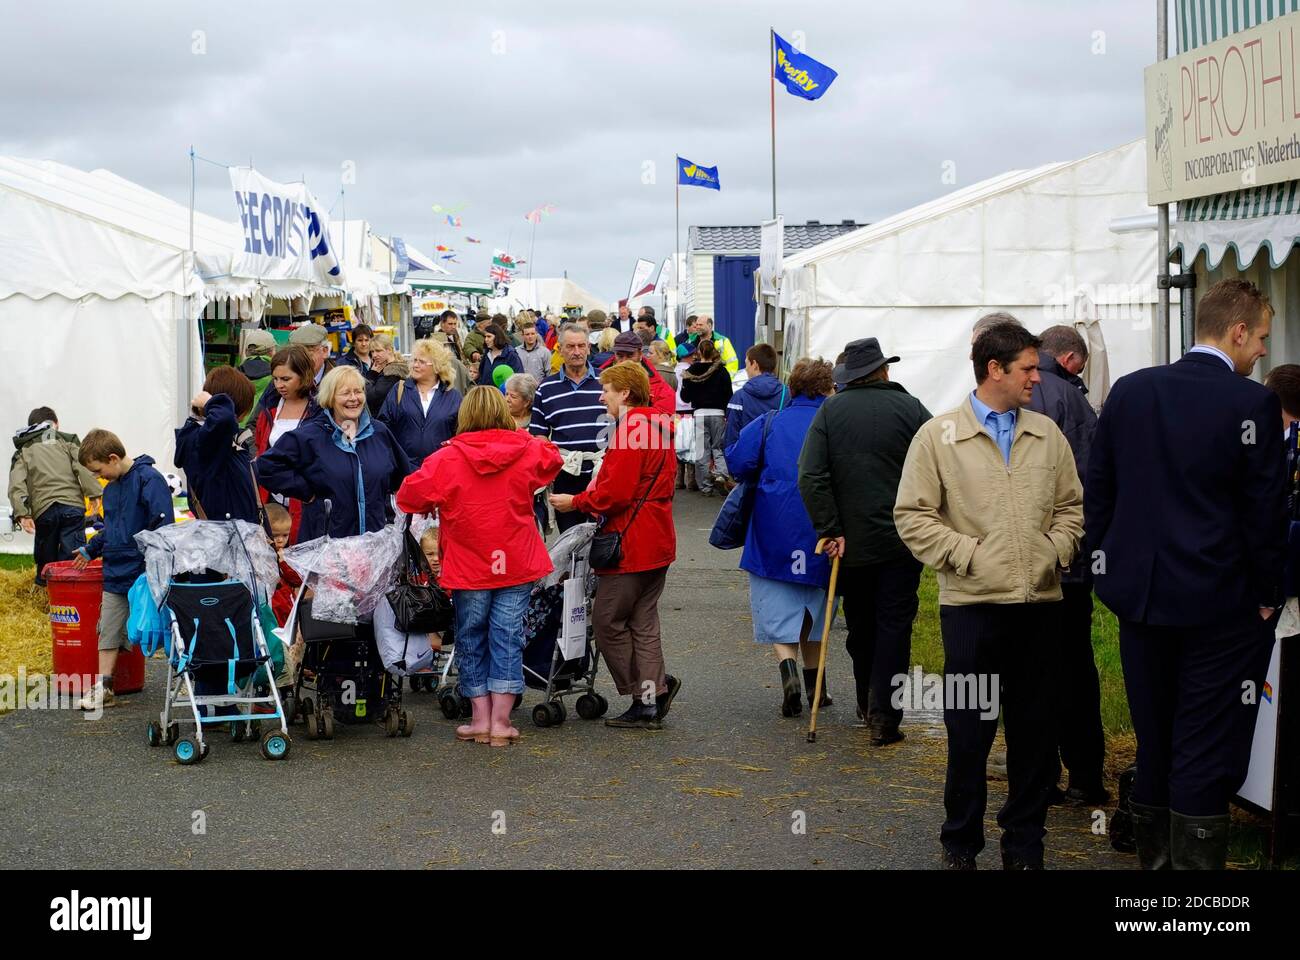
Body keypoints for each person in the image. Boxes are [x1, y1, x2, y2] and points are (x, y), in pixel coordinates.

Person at [1086, 278, 1286, 871]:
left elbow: (1100, 492)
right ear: (1238, 331)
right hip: (1219, 606)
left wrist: (1109, 571)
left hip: (1142, 600)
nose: (1262, 356)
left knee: (1155, 740)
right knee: (1202, 747)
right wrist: (1267, 595)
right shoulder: (1252, 404)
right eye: (1262, 341)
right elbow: (1265, 513)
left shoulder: (1132, 391)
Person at [894, 322, 1083, 871]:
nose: (1036, 377)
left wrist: (1054, 549)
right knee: (970, 734)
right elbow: (912, 516)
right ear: (993, 369)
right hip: (972, 610)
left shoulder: (1048, 434)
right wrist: (968, 556)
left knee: (1036, 735)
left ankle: (1024, 846)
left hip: (1040, 609)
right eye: (1027, 367)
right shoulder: (939, 436)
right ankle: (961, 843)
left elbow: (1073, 507)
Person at [397, 386, 563, 746]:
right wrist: (519, 434)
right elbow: (553, 459)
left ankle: (480, 720)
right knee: (507, 635)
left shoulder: (447, 458)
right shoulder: (525, 448)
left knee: (472, 636)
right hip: (516, 558)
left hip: (470, 562)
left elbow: (409, 495)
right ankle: (502, 723)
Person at [797, 338, 932, 739]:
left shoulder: (831, 410)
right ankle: (884, 715)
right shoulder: (912, 409)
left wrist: (830, 528)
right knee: (894, 625)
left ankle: (864, 701)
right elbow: (938, 468)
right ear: (884, 371)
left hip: (850, 543)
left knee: (861, 625)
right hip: (902, 540)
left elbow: (810, 475)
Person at [550, 361, 681, 729]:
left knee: (607, 620)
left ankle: (645, 695)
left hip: (631, 539)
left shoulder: (630, 429)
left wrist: (575, 502)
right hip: (657, 535)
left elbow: (616, 493)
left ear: (625, 393)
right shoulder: (658, 425)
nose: (601, 394)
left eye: (607, 388)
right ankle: (652, 695)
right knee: (643, 621)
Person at [1024, 323, 1106, 806]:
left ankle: (1039, 775)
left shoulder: (1014, 393)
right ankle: (1085, 777)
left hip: (1018, 564)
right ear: (1068, 358)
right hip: (1067, 564)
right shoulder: (1069, 399)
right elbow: (1091, 481)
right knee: (1074, 667)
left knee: (1031, 670)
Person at [732, 358, 836, 717]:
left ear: (792, 388)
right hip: (822, 527)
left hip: (773, 527)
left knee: (777, 603)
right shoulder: (834, 424)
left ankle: (788, 670)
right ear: (827, 388)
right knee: (817, 607)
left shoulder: (769, 423)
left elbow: (737, 463)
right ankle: (815, 684)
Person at [72, 429, 174, 710]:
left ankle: (187, 680)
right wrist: (90, 549)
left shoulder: (149, 480)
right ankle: (103, 686)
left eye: (98, 469)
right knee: (108, 628)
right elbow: (112, 529)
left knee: (165, 627)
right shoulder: (111, 489)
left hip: (144, 572)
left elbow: (163, 527)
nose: (97, 476)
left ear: (113, 458)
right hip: (115, 572)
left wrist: (155, 564)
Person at [256, 366, 412, 540]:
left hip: (373, 543)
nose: (353, 398)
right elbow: (265, 467)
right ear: (330, 398)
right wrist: (305, 491)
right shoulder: (311, 436)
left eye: (358, 391)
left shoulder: (379, 432)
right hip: (327, 546)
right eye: (345, 393)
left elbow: (405, 476)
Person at [9, 407, 102, 586]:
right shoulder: (67, 440)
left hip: (44, 510)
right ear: (55, 424)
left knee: (46, 553)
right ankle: (70, 593)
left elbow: (16, 483)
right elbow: (82, 466)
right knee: (73, 553)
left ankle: (45, 591)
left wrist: (23, 513)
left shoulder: (24, 449)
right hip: (72, 506)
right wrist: (94, 493)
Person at [530, 324, 606, 533]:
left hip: (604, 472)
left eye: (582, 345)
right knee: (570, 539)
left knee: (604, 537)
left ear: (589, 348)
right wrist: (552, 462)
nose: (577, 351)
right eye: (571, 346)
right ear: (560, 349)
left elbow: (624, 424)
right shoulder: (546, 388)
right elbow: (538, 434)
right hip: (566, 473)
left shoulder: (608, 380)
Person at [174, 365, 261, 524]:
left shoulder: (215, 437)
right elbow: (224, 419)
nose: (241, 420)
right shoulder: (205, 441)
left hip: (239, 532)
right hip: (225, 536)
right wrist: (211, 402)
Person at [378, 337, 462, 468]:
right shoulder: (399, 390)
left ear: (436, 366)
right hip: (405, 471)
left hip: (441, 470)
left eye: (421, 362)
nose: (415, 365)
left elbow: (460, 434)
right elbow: (384, 428)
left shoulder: (453, 396)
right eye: (414, 360)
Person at [680, 337, 733, 496]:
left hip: (700, 414)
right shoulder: (722, 371)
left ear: (698, 353)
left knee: (702, 451)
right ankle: (721, 475)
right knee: (718, 448)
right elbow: (728, 395)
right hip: (718, 414)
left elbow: (685, 397)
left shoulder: (691, 371)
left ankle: (706, 487)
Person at [599, 330, 678, 418]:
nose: (625, 361)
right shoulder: (598, 379)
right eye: (620, 356)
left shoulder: (661, 389)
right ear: (615, 355)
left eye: (630, 355)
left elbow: (664, 426)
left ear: (640, 354)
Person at [725, 343, 787, 451]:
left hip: (747, 461)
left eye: (747, 364)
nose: (746, 369)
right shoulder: (788, 395)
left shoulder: (739, 398)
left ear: (754, 364)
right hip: (776, 459)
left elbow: (730, 439)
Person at [674, 338, 699, 491]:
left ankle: (678, 479)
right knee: (691, 444)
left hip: (676, 412)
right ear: (689, 356)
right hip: (690, 411)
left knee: (678, 444)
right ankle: (691, 480)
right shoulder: (691, 372)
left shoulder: (673, 370)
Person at [238, 329, 278, 423]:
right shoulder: (278, 378)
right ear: (271, 352)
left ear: (246, 352)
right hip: (260, 431)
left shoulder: (233, 375)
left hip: (234, 431)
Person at [365, 334, 411, 416]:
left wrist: (372, 374)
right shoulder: (387, 368)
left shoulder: (391, 374)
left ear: (389, 350)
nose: (374, 355)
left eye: (378, 351)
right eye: (372, 351)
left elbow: (371, 397)